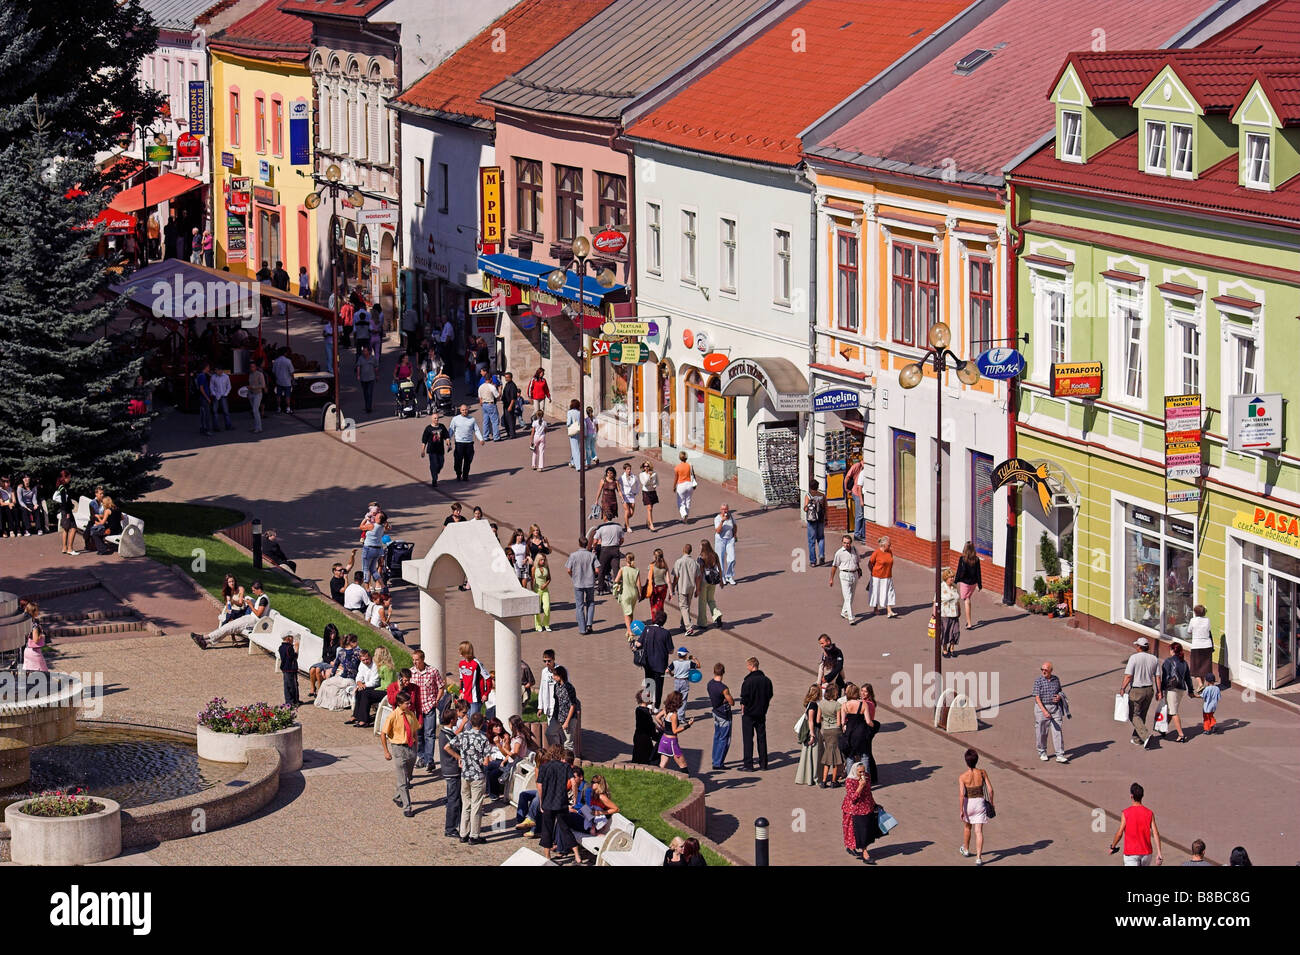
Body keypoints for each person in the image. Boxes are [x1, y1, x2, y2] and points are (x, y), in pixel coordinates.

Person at [449, 712, 493, 844]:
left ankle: (463, 833)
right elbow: (486, 762)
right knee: (476, 806)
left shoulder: (463, 735)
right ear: (482, 723)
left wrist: (459, 758)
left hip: (465, 774)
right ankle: (474, 835)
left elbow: (448, 746)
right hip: (477, 775)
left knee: (466, 804)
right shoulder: (483, 738)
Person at [536, 745, 580, 863]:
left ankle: (548, 857)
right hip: (561, 802)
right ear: (561, 754)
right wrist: (575, 798)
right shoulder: (565, 766)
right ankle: (577, 856)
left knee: (547, 829)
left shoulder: (544, 767)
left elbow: (539, 785)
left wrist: (541, 801)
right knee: (565, 828)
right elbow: (573, 782)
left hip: (548, 802)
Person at [380, 690, 418, 817]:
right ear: (400, 703)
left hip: (411, 748)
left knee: (408, 777)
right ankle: (407, 807)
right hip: (398, 748)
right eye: (407, 703)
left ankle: (397, 796)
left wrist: (416, 746)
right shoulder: (392, 716)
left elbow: (414, 730)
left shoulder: (411, 714)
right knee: (402, 779)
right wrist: (386, 751)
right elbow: (383, 734)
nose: (409, 705)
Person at [1109, 782, 1162, 866]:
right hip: (1146, 853)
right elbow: (1156, 833)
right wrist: (1159, 853)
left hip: (1131, 853)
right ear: (1142, 796)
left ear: (1131, 796)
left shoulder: (1126, 813)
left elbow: (1119, 833)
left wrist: (1113, 846)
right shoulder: (1149, 813)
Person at [1121, 637, 1159, 748]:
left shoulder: (1134, 658)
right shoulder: (1154, 659)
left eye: (1136, 645)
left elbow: (1128, 676)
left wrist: (1123, 688)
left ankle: (1146, 736)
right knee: (1142, 714)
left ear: (1139, 647)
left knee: (1133, 714)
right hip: (1149, 690)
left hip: (1137, 690)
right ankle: (1137, 738)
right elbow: (1157, 677)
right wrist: (1159, 691)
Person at [958, 748, 994, 864]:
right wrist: (992, 803)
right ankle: (978, 858)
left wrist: (961, 810)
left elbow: (962, 795)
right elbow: (990, 789)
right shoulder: (982, 773)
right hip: (980, 803)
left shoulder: (963, 777)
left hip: (969, 804)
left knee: (967, 827)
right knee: (978, 831)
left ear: (966, 761)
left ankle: (966, 849)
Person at [739, 656, 773, 772]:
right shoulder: (767, 680)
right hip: (761, 713)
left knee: (748, 739)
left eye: (747, 665)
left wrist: (743, 709)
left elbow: (744, 698)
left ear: (751, 666)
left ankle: (748, 764)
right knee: (762, 738)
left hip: (749, 714)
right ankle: (763, 763)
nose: (747, 667)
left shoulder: (748, 681)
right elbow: (770, 695)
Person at [842, 760, 879, 864]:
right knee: (858, 831)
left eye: (863, 771)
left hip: (866, 807)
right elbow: (853, 798)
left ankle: (856, 848)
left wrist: (874, 803)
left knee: (866, 830)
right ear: (855, 771)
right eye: (860, 772)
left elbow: (868, 792)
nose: (863, 774)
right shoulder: (849, 781)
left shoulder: (867, 776)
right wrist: (860, 786)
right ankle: (865, 854)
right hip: (854, 810)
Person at [839, 683, 876, 783]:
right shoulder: (863, 704)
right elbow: (868, 721)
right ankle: (866, 781)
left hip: (849, 733)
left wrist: (844, 727)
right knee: (864, 756)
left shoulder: (844, 705)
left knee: (850, 757)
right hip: (861, 732)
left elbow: (842, 723)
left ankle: (851, 781)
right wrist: (874, 726)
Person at [1033, 661, 1069, 762]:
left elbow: (1059, 691)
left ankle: (1060, 754)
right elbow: (1037, 698)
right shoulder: (1038, 681)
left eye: (1046, 670)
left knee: (1058, 731)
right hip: (1042, 709)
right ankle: (1042, 751)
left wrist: (1059, 696)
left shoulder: (1056, 679)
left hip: (1055, 708)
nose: (1043, 671)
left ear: (1051, 671)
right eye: (1042, 669)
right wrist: (1044, 711)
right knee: (1042, 732)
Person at [1157, 642, 1192, 743]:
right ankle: (1163, 728)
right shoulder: (1184, 663)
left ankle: (1181, 735)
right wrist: (1190, 690)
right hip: (1181, 689)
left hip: (1171, 689)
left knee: (1173, 712)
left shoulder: (1168, 661)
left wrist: (1161, 690)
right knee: (1171, 709)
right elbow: (1188, 678)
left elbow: (1165, 677)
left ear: (1172, 650)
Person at [565, 537, 599, 634]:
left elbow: (568, 569)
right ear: (587, 544)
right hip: (589, 582)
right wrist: (593, 575)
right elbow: (597, 570)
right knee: (591, 603)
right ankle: (589, 624)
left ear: (579, 544)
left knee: (579, 606)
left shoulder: (573, 555)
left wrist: (573, 577)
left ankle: (582, 629)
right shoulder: (592, 555)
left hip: (578, 582)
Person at [636, 621, 673, 708]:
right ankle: (656, 707)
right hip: (660, 664)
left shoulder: (647, 629)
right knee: (659, 686)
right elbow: (670, 650)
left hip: (648, 663)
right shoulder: (666, 633)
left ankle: (647, 705)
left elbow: (638, 644)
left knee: (649, 684)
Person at [706, 663, 734, 771]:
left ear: (714, 671)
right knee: (724, 739)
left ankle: (715, 758)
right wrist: (726, 698)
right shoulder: (724, 688)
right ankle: (718, 763)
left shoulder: (710, 684)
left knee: (717, 736)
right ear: (723, 672)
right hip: (724, 715)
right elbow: (732, 702)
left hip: (715, 712)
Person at [828, 534, 862, 623]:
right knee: (847, 597)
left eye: (848, 543)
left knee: (852, 595)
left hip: (854, 574)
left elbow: (857, 561)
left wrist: (858, 569)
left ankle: (844, 612)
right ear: (842, 543)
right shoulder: (839, 553)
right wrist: (831, 578)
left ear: (851, 543)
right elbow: (834, 566)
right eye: (844, 543)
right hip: (844, 575)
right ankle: (851, 618)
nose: (846, 545)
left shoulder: (854, 550)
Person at [656, 691, 692, 771]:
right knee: (683, 765)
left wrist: (662, 725)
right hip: (672, 742)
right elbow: (675, 730)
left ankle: (654, 780)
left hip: (663, 740)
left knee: (662, 765)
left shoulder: (666, 709)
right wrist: (688, 725)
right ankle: (685, 782)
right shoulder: (674, 715)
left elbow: (657, 717)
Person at [449, 403, 485, 481]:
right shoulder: (455, 419)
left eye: (466, 410)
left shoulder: (472, 419)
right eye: (463, 410)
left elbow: (476, 430)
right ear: (460, 410)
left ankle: (465, 475)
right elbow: (451, 430)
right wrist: (448, 439)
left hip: (469, 443)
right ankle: (458, 473)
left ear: (468, 410)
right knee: (458, 460)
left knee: (468, 460)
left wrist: (481, 439)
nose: (464, 411)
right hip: (459, 443)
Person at [795, 684, 822, 786]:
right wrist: (812, 734)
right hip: (813, 731)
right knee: (813, 755)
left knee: (809, 755)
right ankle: (812, 777)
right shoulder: (813, 705)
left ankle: (809, 776)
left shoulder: (810, 704)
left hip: (813, 730)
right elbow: (811, 720)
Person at [552, 665, 581, 757]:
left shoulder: (569, 688)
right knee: (551, 734)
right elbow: (556, 703)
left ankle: (569, 763)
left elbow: (573, 705)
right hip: (559, 717)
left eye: (555, 675)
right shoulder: (556, 686)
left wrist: (567, 722)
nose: (553, 677)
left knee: (568, 743)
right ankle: (560, 755)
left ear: (561, 676)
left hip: (569, 718)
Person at [867, 536, 899, 618]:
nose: (890, 546)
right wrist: (873, 572)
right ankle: (875, 608)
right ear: (883, 545)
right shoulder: (876, 553)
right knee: (876, 592)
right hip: (877, 577)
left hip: (888, 576)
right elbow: (870, 564)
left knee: (889, 593)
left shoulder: (890, 552)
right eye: (889, 545)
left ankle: (889, 611)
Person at [307, 623, 343, 697]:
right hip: (326, 661)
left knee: (317, 670)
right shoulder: (326, 641)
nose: (333, 635)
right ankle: (313, 688)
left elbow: (338, 655)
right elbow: (324, 655)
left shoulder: (338, 641)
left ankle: (320, 689)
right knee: (312, 669)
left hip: (333, 663)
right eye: (331, 633)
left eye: (334, 632)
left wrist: (331, 662)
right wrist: (329, 661)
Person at [671, 543, 700, 636]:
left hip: (682, 586)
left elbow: (676, 576)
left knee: (683, 606)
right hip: (691, 587)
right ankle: (684, 623)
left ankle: (688, 626)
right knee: (687, 606)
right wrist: (697, 589)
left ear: (683, 550)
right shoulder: (694, 562)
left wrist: (672, 586)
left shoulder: (679, 562)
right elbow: (697, 577)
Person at [457, 641, 490, 716]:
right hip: (465, 698)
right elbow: (461, 679)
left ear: (465, 651)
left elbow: (488, 679)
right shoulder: (461, 664)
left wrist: (486, 694)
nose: (458, 651)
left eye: (460, 649)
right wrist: (461, 691)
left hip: (476, 699)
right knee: (466, 720)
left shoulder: (477, 663)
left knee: (474, 721)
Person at [819, 686, 844, 788]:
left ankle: (824, 780)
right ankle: (834, 781)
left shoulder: (822, 703)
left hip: (826, 730)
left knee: (828, 754)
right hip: (835, 731)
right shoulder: (837, 705)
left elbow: (818, 719)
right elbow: (838, 722)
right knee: (836, 757)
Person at [592, 519, 624, 594]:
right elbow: (622, 539)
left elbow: (595, 541)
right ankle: (617, 588)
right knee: (616, 569)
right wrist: (618, 545)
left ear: (605, 518)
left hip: (605, 550)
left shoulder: (601, 528)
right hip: (615, 549)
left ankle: (600, 589)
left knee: (601, 569)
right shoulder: (618, 526)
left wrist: (594, 548)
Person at [955, 542, 983, 629]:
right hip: (973, 583)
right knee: (968, 598)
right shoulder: (976, 559)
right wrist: (979, 584)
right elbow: (979, 572)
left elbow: (959, 571)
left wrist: (956, 581)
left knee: (966, 599)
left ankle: (969, 623)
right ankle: (968, 622)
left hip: (965, 583)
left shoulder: (963, 559)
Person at [696, 540, 723, 629]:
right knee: (711, 600)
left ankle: (702, 623)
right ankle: (717, 614)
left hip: (704, 581)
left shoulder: (701, 557)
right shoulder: (714, 555)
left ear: (703, 547)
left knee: (702, 602)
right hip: (713, 580)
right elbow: (719, 567)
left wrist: (698, 586)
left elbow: (701, 572)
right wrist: (721, 580)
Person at [419, 412, 450, 488]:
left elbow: (446, 436)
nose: (436, 419)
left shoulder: (442, 427)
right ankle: (434, 479)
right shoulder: (428, 429)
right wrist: (422, 450)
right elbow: (424, 440)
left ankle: (436, 471)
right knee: (434, 464)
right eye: (435, 418)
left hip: (440, 450)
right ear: (432, 419)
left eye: (437, 418)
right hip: (432, 450)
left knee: (441, 463)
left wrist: (448, 443)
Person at [1188, 604, 1215, 692]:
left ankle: (1200, 684)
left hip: (1197, 645)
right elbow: (1209, 630)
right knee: (1205, 667)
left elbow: (1189, 631)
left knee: (1195, 667)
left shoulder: (1193, 620)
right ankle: (1201, 686)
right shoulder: (1207, 620)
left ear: (1195, 612)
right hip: (1207, 645)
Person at [615, 552, 640, 640]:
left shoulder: (623, 569)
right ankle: (630, 629)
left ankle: (629, 631)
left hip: (625, 593)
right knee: (631, 612)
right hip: (634, 594)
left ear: (626, 560)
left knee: (626, 614)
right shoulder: (636, 570)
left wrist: (619, 584)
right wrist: (640, 595)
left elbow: (616, 580)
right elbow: (638, 584)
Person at [937, 567, 961, 658]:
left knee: (955, 631)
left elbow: (957, 599)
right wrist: (934, 614)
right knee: (946, 632)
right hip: (945, 614)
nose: (953, 579)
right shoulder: (941, 587)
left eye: (953, 577)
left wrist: (959, 609)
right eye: (951, 577)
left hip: (954, 613)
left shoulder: (954, 586)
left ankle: (952, 649)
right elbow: (935, 601)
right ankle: (945, 650)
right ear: (946, 578)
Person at [52, 471, 77, 556]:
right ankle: (70, 549)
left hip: (63, 510)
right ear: (64, 478)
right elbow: (63, 501)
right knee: (73, 528)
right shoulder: (63, 488)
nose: (69, 479)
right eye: (69, 477)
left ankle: (64, 548)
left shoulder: (60, 487)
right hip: (66, 511)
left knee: (65, 529)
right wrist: (67, 512)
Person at [359, 510, 387, 585]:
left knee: (365, 569)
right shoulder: (382, 527)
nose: (375, 515)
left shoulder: (372, 526)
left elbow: (361, 527)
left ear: (379, 519)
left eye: (377, 515)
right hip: (377, 550)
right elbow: (387, 526)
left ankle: (368, 589)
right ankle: (383, 586)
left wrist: (366, 518)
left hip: (368, 549)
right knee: (373, 570)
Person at [803, 480, 827, 566]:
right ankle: (821, 555)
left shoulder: (808, 496)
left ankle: (813, 561)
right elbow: (825, 508)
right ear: (817, 487)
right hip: (820, 519)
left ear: (810, 487)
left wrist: (809, 505)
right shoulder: (822, 495)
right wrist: (826, 519)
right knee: (821, 538)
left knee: (811, 541)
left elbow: (805, 509)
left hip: (811, 520)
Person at [713, 504, 738, 586]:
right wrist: (722, 521)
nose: (725, 511)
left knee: (732, 558)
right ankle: (722, 577)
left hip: (730, 539)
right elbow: (718, 531)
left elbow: (734, 526)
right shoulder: (717, 518)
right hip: (720, 540)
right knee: (720, 559)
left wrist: (735, 535)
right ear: (720, 510)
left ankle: (729, 576)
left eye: (726, 509)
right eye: (723, 509)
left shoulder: (731, 516)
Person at [633, 690, 660, 764]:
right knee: (644, 759)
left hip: (638, 736)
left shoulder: (639, 709)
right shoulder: (644, 712)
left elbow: (648, 723)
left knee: (637, 757)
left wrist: (655, 726)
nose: (651, 699)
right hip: (644, 739)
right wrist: (656, 736)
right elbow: (648, 726)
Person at [645, 548, 669, 627]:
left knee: (653, 606)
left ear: (654, 557)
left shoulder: (651, 566)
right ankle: (660, 623)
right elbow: (668, 580)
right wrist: (671, 592)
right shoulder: (665, 565)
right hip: (663, 588)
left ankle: (655, 622)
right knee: (661, 605)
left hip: (654, 588)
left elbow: (649, 578)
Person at [844, 456, 866, 541]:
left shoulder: (866, 469)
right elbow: (847, 477)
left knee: (863, 515)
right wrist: (846, 488)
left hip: (862, 493)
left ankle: (861, 533)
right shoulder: (856, 466)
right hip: (856, 493)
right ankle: (857, 534)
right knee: (860, 514)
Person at [477, 369, 501, 441]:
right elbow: (497, 396)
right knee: (495, 421)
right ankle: (496, 437)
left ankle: (485, 436)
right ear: (490, 379)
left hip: (484, 404)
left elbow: (480, 397)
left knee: (486, 421)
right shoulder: (492, 387)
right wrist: (500, 391)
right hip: (490, 404)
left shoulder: (481, 387)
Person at [355, 345, 379, 414]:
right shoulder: (360, 358)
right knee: (365, 393)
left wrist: (377, 376)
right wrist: (358, 375)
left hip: (371, 378)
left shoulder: (373, 358)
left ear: (369, 351)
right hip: (363, 379)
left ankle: (369, 407)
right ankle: (366, 406)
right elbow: (358, 367)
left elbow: (376, 367)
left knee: (370, 393)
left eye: (365, 351)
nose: (364, 352)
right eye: (363, 351)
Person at [278, 632, 301, 706]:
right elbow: (294, 657)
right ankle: (294, 701)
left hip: (285, 668)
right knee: (293, 685)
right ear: (288, 638)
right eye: (291, 637)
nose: (293, 639)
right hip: (291, 669)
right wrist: (297, 648)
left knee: (287, 685)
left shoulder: (281, 647)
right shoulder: (289, 647)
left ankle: (288, 701)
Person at [532, 553, 552, 632]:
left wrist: (545, 584)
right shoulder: (534, 568)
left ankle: (546, 624)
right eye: (541, 560)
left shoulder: (546, 567)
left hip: (545, 590)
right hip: (537, 590)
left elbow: (549, 578)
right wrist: (533, 590)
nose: (543, 561)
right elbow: (533, 579)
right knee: (537, 609)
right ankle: (538, 625)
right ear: (538, 560)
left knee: (547, 608)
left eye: (544, 559)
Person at [673, 451, 696, 522]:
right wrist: (694, 484)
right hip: (689, 484)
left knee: (681, 501)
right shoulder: (690, 465)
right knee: (688, 500)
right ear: (686, 457)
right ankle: (686, 517)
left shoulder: (677, 467)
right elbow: (693, 475)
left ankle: (683, 514)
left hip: (681, 485)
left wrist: (674, 486)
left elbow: (676, 478)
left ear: (679, 458)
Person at [271, 349, 294, 414]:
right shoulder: (288, 361)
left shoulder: (276, 361)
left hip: (279, 381)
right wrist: (293, 379)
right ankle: (288, 408)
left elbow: (273, 371)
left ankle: (278, 408)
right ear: (285, 353)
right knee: (287, 396)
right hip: (287, 381)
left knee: (278, 395)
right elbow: (291, 372)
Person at [499, 371, 521, 439]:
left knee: (511, 420)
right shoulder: (507, 384)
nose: (506, 379)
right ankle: (508, 433)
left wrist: (510, 406)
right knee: (506, 420)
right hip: (505, 405)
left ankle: (512, 434)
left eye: (507, 377)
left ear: (511, 377)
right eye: (505, 377)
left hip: (509, 405)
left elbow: (513, 398)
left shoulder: (512, 386)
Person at [247, 358, 266, 433]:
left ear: (256, 367)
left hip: (258, 394)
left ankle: (259, 428)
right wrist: (248, 392)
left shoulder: (260, 374)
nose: (252, 368)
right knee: (255, 411)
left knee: (255, 410)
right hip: (251, 394)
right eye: (251, 367)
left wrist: (253, 387)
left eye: (253, 366)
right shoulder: (250, 374)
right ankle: (257, 427)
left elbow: (263, 385)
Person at [195, 362, 214, 435]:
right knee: (207, 414)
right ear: (205, 367)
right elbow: (201, 388)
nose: (209, 369)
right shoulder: (203, 376)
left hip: (201, 398)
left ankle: (202, 428)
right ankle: (207, 430)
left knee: (203, 414)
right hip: (204, 398)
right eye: (208, 367)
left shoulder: (200, 375)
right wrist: (207, 398)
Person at [565, 399, 582, 470]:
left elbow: (568, 422)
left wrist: (567, 425)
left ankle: (578, 466)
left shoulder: (569, 412)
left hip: (573, 431)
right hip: (579, 430)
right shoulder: (579, 412)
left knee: (575, 449)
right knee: (576, 447)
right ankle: (573, 462)